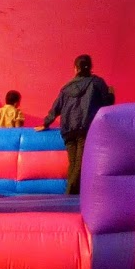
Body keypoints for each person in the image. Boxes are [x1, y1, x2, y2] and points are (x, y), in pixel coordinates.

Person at [39, 55, 114, 195]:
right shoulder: (97, 83)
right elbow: (107, 103)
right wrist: (111, 94)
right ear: (90, 67)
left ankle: (72, 195)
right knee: (80, 164)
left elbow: (57, 107)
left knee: (73, 164)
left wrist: (46, 123)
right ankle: (69, 196)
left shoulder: (66, 87)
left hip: (68, 129)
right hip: (86, 127)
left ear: (75, 69)